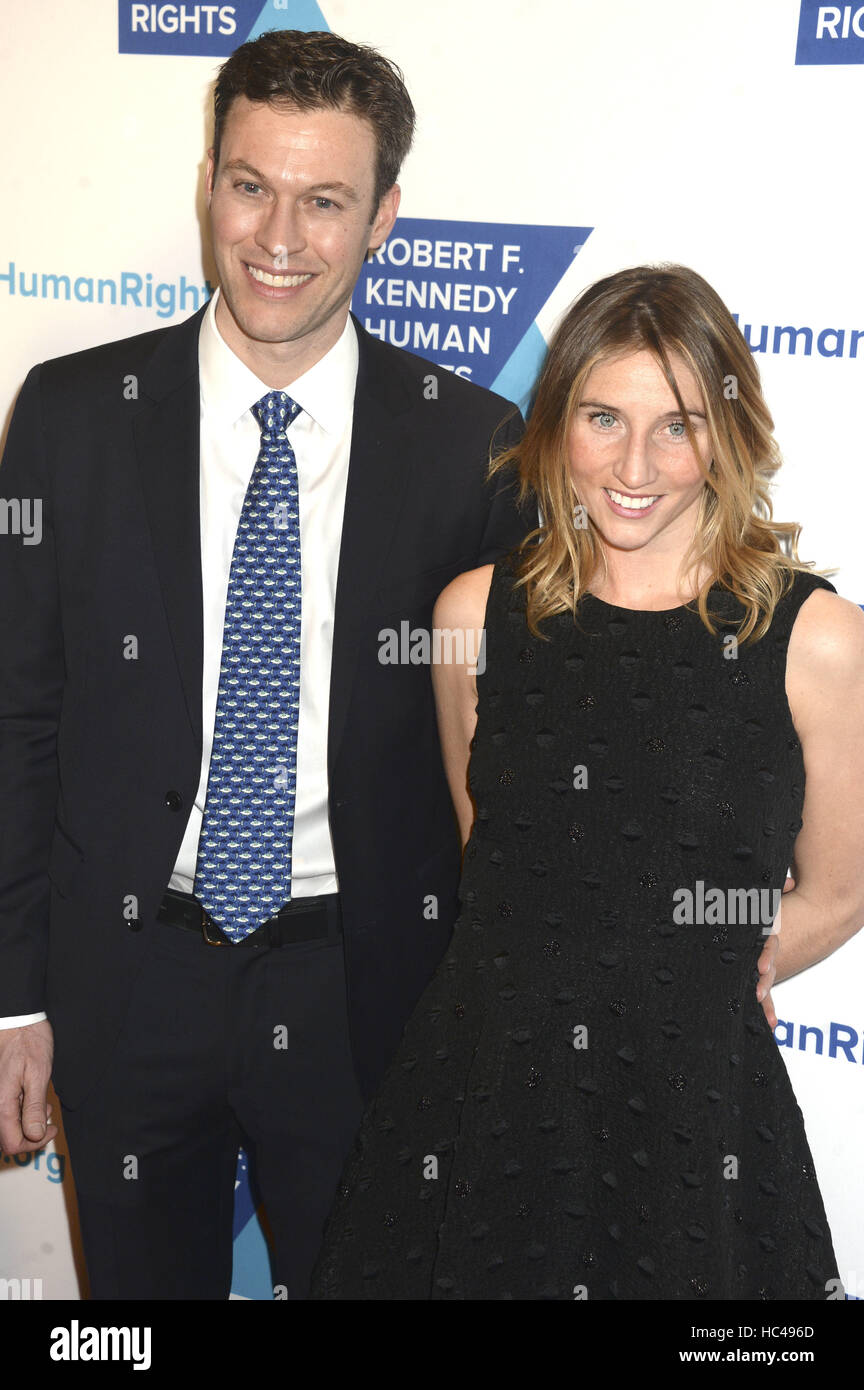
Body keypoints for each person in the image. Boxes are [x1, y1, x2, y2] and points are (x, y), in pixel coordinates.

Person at [0, 30, 525, 1300]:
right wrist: (12, 1004)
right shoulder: (69, 415)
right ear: (208, 181)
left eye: (324, 198)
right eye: (251, 184)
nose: (278, 233)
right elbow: (18, 719)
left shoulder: (474, 446)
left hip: (368, 987)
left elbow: (531, 745)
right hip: (130, 981)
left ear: (384, 216)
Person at [308, 264, 864, 1300]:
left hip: (694, 1107)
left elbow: (839, 885)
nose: (636, 464)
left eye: (679, 424)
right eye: (604, 417)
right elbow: (494, 862)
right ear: (556, 420)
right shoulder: (474, 617)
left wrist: (717, 959)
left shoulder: (816, 639)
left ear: (729, 435)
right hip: (483, 1092)